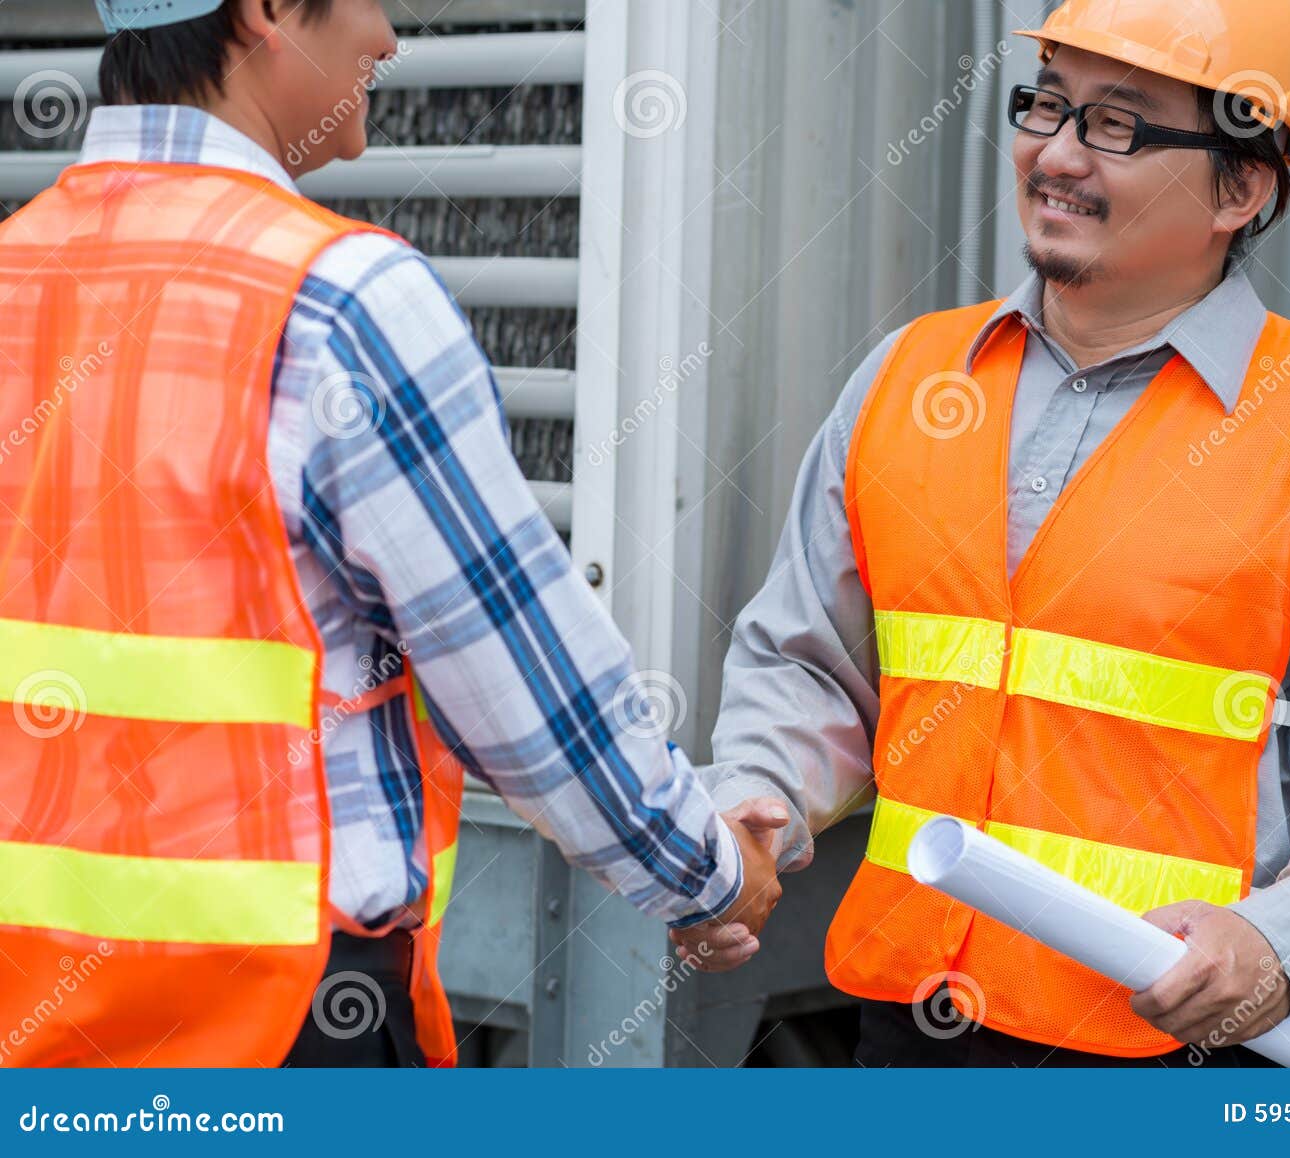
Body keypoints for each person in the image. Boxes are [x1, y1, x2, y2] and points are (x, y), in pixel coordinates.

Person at [677, 0, 1290, 1068]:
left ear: (1241, 186)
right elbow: (813, 661)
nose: (1056, 153)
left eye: (1118, 124)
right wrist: (757, 802)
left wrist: (1281, 938)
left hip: (1180, 1051)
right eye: (1046, 106)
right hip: (905, 1032)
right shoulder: (909, 380)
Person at [0, 0, 784, 1067]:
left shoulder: (18, 269)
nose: (388, 38)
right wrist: (710, 871)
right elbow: (520, 680)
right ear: (269, 13)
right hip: (274, 1025)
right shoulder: (336, 301)